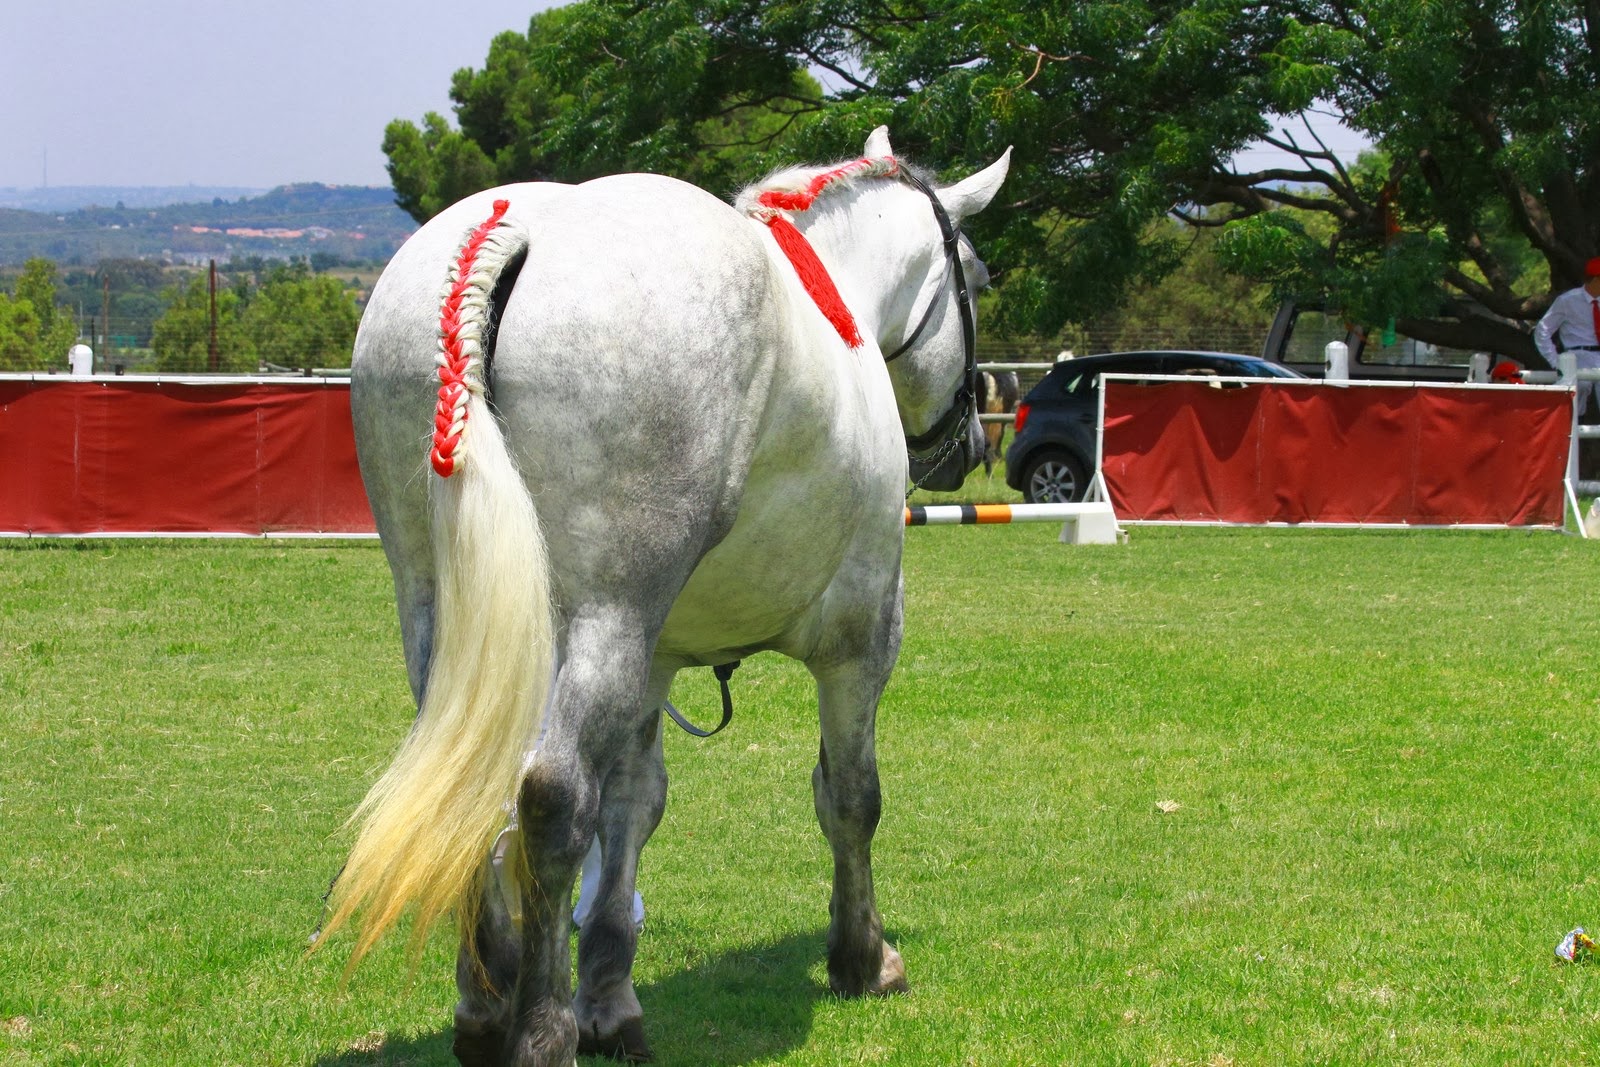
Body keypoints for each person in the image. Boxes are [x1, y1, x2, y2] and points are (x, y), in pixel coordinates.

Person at [1534, 256, 1600, 412]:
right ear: (1596, 279)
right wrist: (1556, 362)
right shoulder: (1568, 300)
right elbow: (1543, 329)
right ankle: (1573, 429)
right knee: (1578, 389)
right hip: (1577, 355)